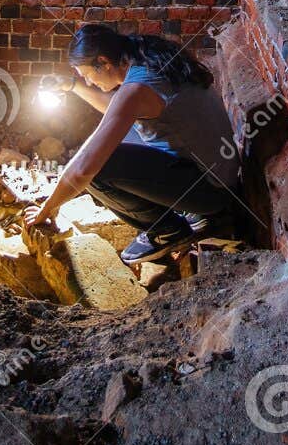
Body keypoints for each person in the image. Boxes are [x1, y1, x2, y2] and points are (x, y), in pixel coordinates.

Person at [22, 23, 244, 266]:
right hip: (219, 172)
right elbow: (117, 109)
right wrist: (73, 86)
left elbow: (84, 168)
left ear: (104, 62)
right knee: (119, 137)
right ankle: (188, 211)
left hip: (212, 192)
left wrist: (48, 208)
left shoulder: (137, 89)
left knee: (97, 170)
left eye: (85, 75)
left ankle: (166, 230)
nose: (88, 81)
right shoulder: (145, 55)